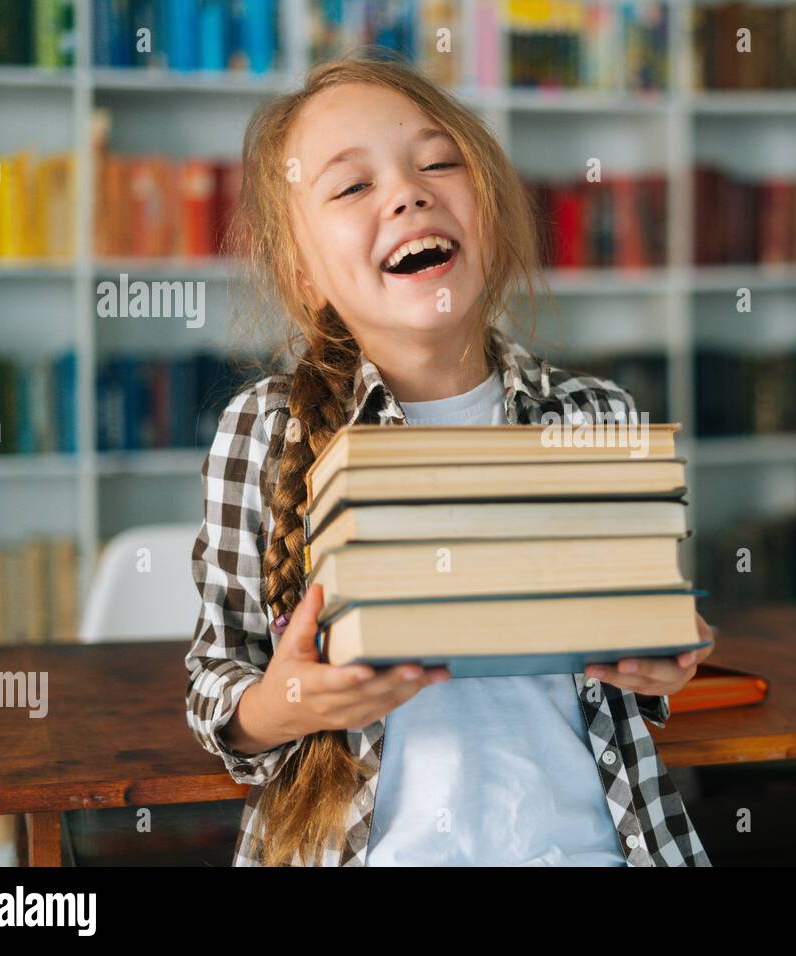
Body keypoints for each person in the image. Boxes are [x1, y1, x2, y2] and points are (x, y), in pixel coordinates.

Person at [184, 55, 715, 867]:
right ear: (303, 272)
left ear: (490, 211)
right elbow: (217, 682)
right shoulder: (262, 431)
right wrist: (284, 703)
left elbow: (639, 661)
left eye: (438, 162)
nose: (409, 192)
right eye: (352, 187)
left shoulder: (598, 416)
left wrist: (669, 655)